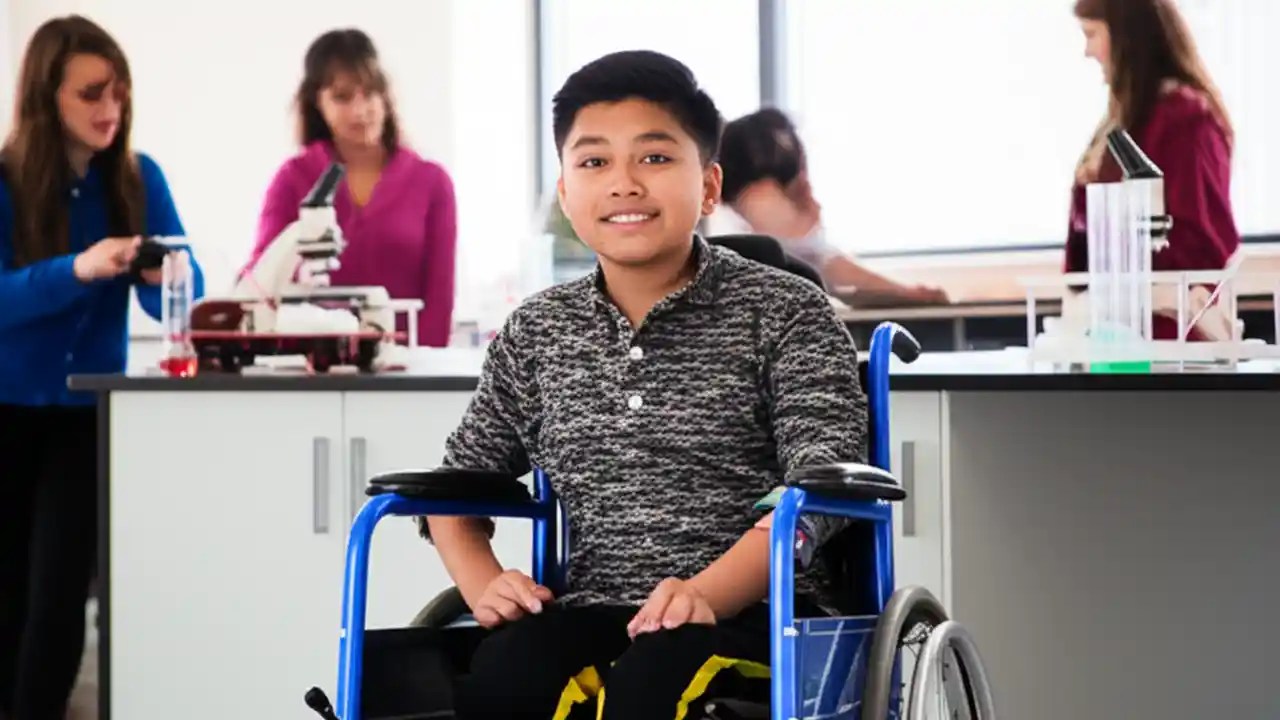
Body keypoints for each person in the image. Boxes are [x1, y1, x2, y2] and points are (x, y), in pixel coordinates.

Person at [421, 50, 867, 719]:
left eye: (655, 158)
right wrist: (484, 584)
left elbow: (822, 485)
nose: (624, 183)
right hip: (598, 609)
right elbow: (454, 487)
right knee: (504, 676)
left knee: (654, 686)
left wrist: (707, 594)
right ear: (566, 194)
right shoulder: (540, 332)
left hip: (765, 612)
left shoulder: (784, 313)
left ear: (710, 186)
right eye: (594, 162)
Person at [0, 15, 204, 719]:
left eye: (118, 92)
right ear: (46, 95)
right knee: (9, 593)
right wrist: (79, 269)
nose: (109, 109)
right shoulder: (4, 182)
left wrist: (165, 276)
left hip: (86, 419)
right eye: (91, 93)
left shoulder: (140, 179)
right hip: (7, 409)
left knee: (59, 596)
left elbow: (186, 297)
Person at [244, 28, 458, 347]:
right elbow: (262, 276)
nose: (360, 111)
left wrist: (420, 373)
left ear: (385, 95)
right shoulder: (293, 179)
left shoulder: (432, 183)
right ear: (316, 102)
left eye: (369, 93)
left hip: (408, 369)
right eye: (342, 97)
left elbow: (439, 300)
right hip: (311, 370)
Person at [1069, 0, 1238, 340]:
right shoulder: (1125, 124)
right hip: (1119, 341)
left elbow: (1200, 252)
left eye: (1092, 34)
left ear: (1128, 36)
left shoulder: (1187, 122)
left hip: (1168, 350)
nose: (1087, 51)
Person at [709, 108, 948, 305]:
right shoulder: (757, 203)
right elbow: (823, 262)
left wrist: (904, 293)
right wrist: (906, 293)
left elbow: (818, 260)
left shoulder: (732, 214)